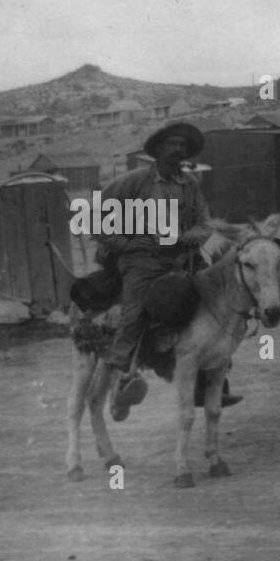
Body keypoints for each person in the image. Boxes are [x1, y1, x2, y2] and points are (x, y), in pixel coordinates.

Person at [95, 121, 239, 420]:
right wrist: (124, 244)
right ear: (158, 149)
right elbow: (97, 213)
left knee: (213, 305)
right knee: (134, 312)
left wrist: (191, 237)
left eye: (183, 147)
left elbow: (204, 222)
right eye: (172, 144)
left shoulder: (191, 185)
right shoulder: (135, 181)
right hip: (142, 259)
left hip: (182, 259)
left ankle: (213, 380)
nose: (178, 150)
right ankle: (122, 377)